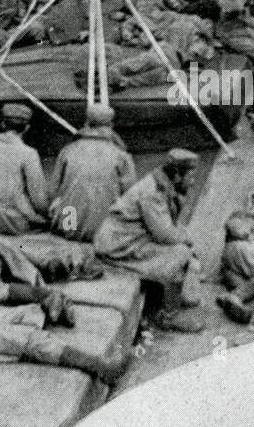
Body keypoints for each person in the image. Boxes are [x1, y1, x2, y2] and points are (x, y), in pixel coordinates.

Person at [94, 148, 205, 333]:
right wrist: (187, 240)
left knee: (181, 249)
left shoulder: (161, 185)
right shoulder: (153, 193)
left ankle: (166, 293)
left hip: (125, 241)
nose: (193, 182)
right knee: (181, 253)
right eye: (191, 177)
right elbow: (165, 235)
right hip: (119, 248)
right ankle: (168, 317)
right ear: (177, 176)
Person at [48, 104, 137, 242]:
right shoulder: (121, 155)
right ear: (111, 125)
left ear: (87, 123)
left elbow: (53, 192)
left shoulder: (68, 151)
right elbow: (130, 197)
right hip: (106, 233)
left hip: (69, 229)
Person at [0, 103, 49, 235]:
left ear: (2, 125)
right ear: (26, 128)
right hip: (14, 222)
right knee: (65, 212)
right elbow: (39, 201)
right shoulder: (28, 153)